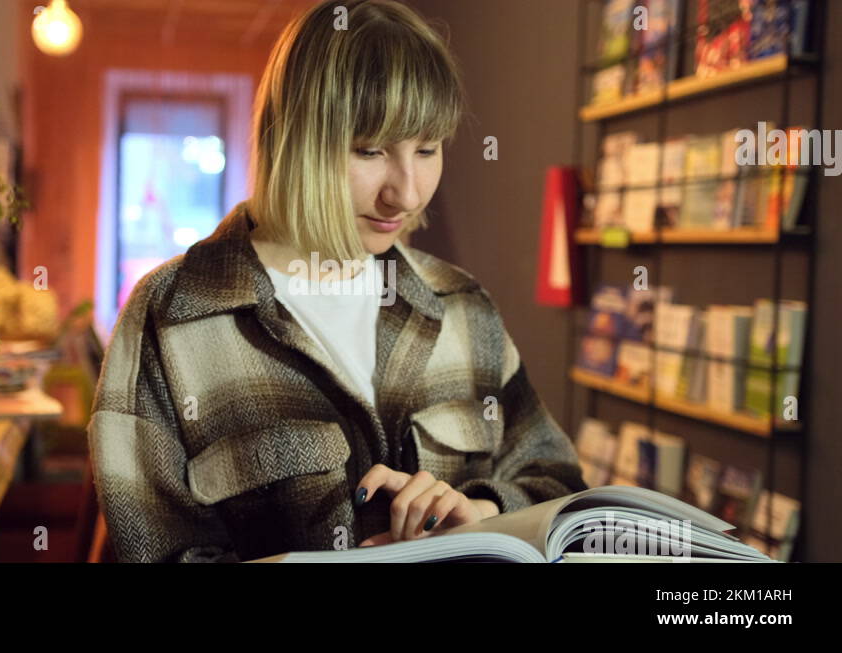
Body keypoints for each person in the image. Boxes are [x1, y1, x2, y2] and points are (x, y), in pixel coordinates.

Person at [88, 0, 587, 563]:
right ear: (293, 140)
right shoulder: (173, 316)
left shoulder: (464, 307)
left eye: (427, 149)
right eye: (369, 150)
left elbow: (556, 481)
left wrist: (484, 513)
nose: (407, 192)